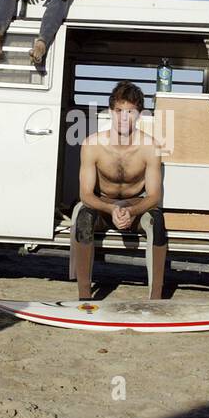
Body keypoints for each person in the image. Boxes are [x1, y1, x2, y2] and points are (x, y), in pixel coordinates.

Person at [73, 82, 169, 300]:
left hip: (135, 206)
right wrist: (113, 208)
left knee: (158, 221)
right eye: (119, 111)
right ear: (110, 112)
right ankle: (85, 297)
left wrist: (131, 212)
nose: (124, 117)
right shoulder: (92, 145)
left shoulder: (150, 147)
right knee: (83, 217)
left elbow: (154, 196)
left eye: (130, 111)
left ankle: (155, 300)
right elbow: (86, 194)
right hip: (102, 205)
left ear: (140, 115)